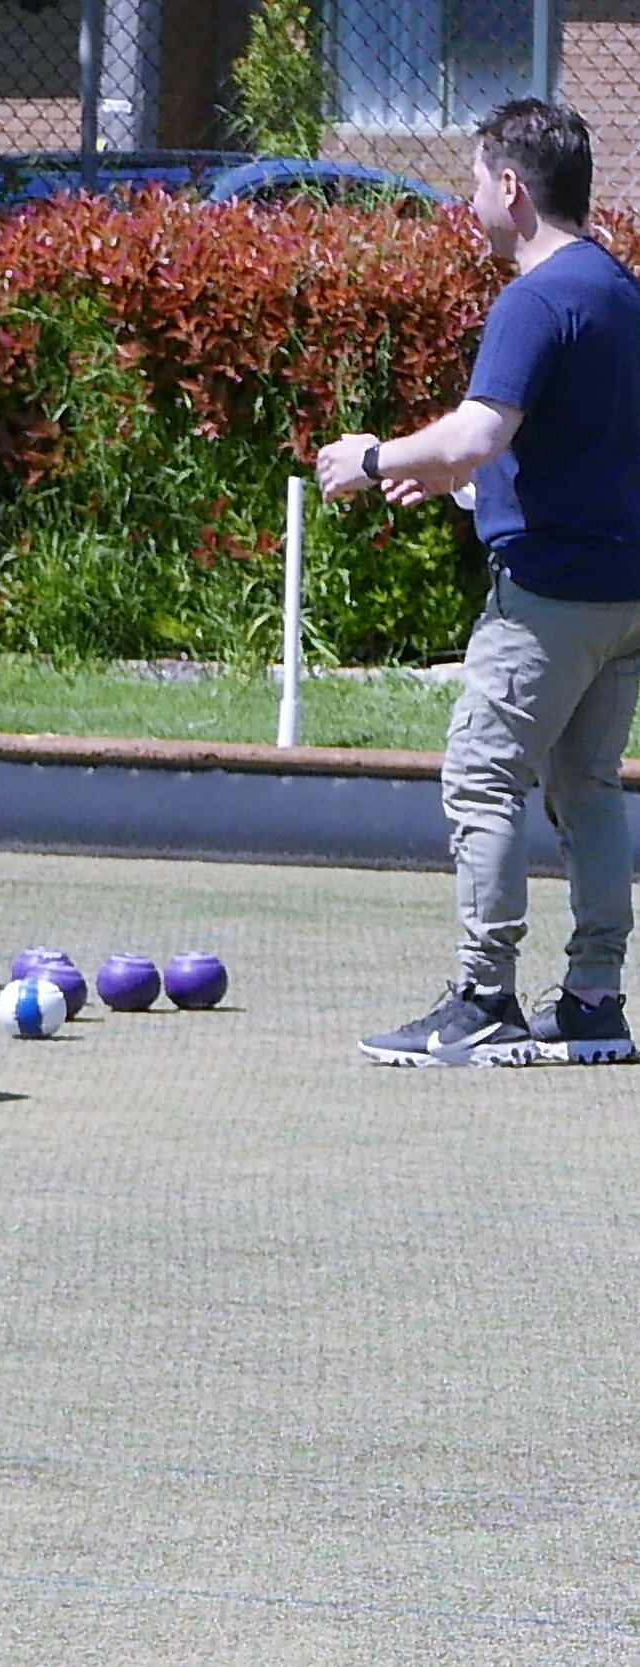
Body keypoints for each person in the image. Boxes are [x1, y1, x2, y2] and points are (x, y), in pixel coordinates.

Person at [314, 99, 640, 1067]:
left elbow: (478, 431)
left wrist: (374, 457)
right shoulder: (619, 293)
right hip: (622, 595)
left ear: (510, 188)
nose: (467, 205)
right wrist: (456, 481)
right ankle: (593, 999)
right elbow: (567, 449)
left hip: (547, 600)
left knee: (481, 773)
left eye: (473, 184)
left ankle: (483, 996)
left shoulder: (532, 300)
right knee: (584, 786)